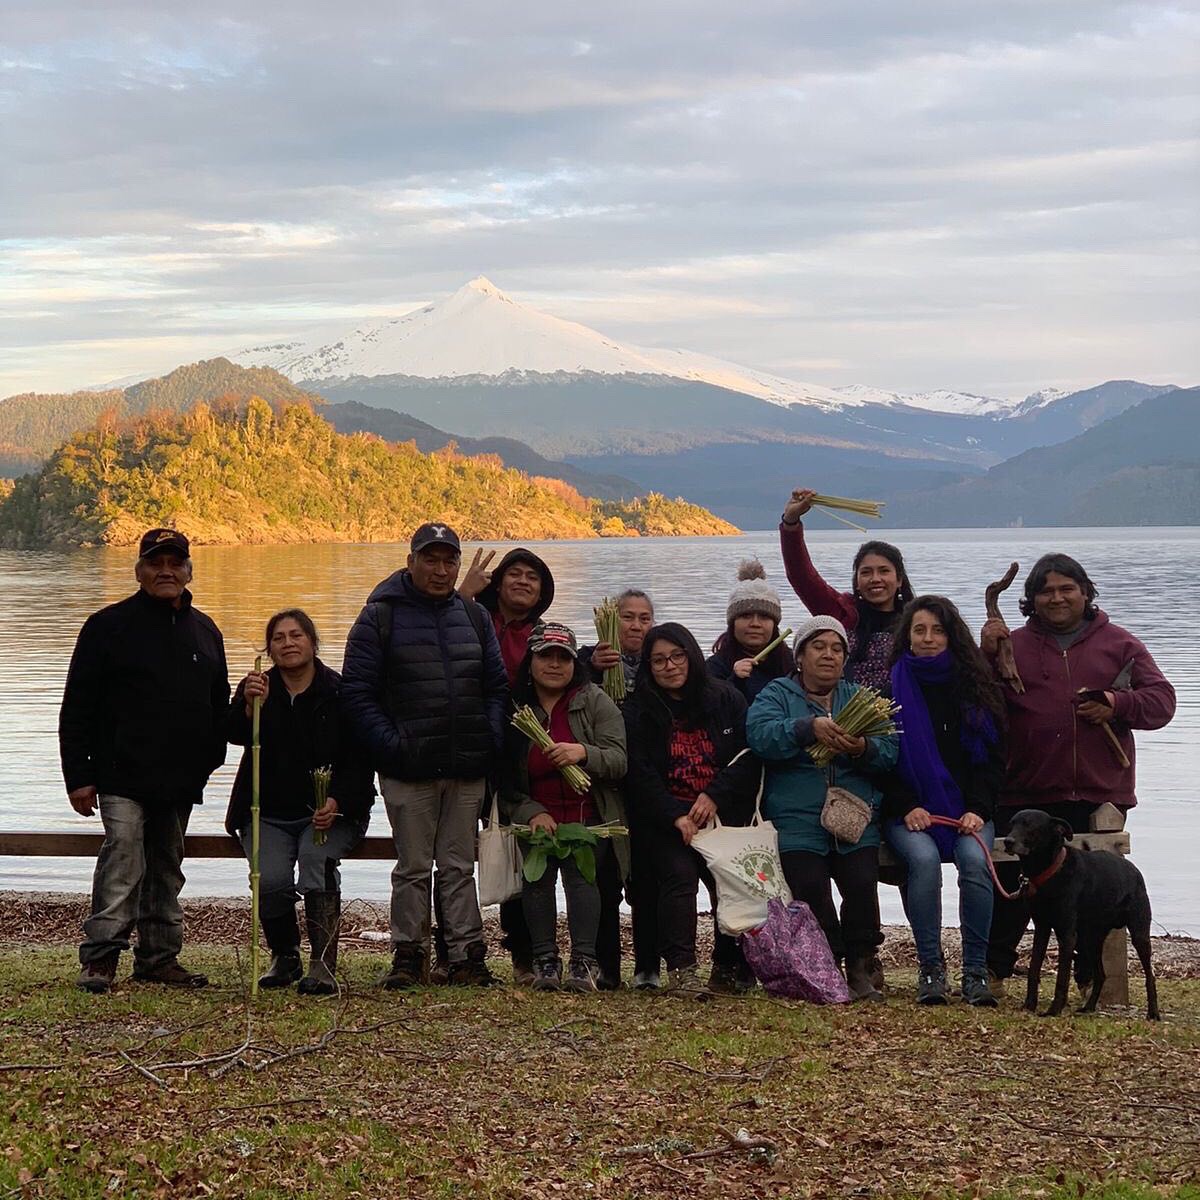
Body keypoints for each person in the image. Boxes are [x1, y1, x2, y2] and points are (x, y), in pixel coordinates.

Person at [980, 553, 1176, 989]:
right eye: (1045, 591)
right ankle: (990, 975)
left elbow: (1163, 702)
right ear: (1030, 600)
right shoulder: (1012, 646)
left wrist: (1116, 703)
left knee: (1092, 896)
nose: (1057, 597)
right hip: (1023, 794)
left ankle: (1090, 981)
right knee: (1009, 889)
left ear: (1085, 592)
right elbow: (974, 706)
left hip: (1098, 795)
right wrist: (985, 654)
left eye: (1067, 588)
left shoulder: (1121, 645)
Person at [60, 528, 229, 993]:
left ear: (190, 570)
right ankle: (100, 959)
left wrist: (207, 762)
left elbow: (219, 708)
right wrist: (79, 775)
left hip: (179, 781)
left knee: (167, 868)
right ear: (139, 571)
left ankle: (158, 957)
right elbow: (77, 707)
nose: (166, 571)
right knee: (124, 858)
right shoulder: (106, 626)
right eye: (156, 563)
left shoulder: (207, 630)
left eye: (175, 563)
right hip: (120, 775)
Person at [341, 522, 509, 989]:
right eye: (430, 560)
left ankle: (466, 957)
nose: (440, 570)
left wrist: (488, 739)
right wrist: (393, 748)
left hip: (465, 765)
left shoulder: (474, 617)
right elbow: (357, 693)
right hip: (408, 769)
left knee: (459, 866)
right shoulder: (380, 615)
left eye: (448, 561)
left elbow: (495, 687)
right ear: (410, 561)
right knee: (412, 867)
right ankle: (408, 955)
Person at [746, 615, 898, 1001]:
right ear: (799, 656)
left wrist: (862, 749)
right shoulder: (777, 694)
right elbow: (760, 736)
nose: (828, 655)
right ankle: (826, 962)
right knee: (811, 885)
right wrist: (805, 729)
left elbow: (889, 753)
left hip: (853, 814)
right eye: (818, 647)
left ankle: (861, 964)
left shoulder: (859, 698)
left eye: (836, 648)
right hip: (797, 816)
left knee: (862, 883)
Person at [226, 610, 375, 995]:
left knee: (316, 862)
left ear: (312, 642)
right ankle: (285, 955)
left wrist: (338, 801)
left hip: (328, 814)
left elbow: (360, 761)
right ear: (269, 648)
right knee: (271, 879)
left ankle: (323, 964)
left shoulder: (340, 692)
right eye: (278, 637)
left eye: (296, 635)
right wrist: (246, 706)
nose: (288, 643)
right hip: (268, 812)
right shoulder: (257, 687)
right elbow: (234, 734)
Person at [622, 623, 760, 996]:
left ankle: (727, 966)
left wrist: (715, 795)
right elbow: (639, 772)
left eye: (677, 656)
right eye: (659, 660)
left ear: (691, 655)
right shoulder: (638, 710)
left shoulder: (725, 698)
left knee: (727, 882)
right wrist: (674, 816)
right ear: (649, 667)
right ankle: (682, 969)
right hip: (667, 820)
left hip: (720, 814)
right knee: (679, 876)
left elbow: (749, 757)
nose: (669, 666)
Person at [882, 596, 1006, 1007]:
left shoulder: (975, 686)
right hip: (909, 812)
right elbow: (880, 760)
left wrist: (978, 810)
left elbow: (990, 761)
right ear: (908, 636)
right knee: (923, 860)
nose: (929, 638)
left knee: (974, 862)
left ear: (951, 636)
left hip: (968, 810)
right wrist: (906, 806)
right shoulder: (889, 687)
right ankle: (930, 969)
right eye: (920, 630)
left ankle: (975, 972)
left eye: (938, 630)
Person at [500, 622, 629, 992]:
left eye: (563, 657)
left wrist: (584, 753)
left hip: (588, 813)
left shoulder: (594, 701)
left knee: (582, 878)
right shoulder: (515, 711)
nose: (554, 665)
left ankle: (583, 962)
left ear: (575, 662)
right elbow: (504, 780)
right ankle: (545, 960)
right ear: (531, 661)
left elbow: (620, 759)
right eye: (545, 657)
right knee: (536, 881)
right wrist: (530, 812)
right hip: (536, 814)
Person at [454, 546, 556, 984]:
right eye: (514, 573)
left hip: (515, 753)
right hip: (463, 745)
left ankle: (523, 955)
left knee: (517, 847)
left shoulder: (542, 636)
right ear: (497, 581)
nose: (522, 581)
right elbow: (441, 642)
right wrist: (463, 595)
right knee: (455, 852)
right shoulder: (469, 616)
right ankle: (454, 950)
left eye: (532, 577)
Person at [579, 588, 657, 989]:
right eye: (628, 617)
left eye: (645, 618)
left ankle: (648, 967)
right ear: (613, 620)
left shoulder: (661, 662)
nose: (637, 625)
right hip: (602, 787)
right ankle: (606, 968)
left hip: (645, 787)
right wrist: (591, 666)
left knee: (645, 878)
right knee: (603, 876)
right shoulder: (588, 661)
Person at [779, 488, 915, 691]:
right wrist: (791, 522)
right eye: (866, 572)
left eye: (884, 571)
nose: (875, 579)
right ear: (857, 582)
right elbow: (801, 575)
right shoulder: (841, 613)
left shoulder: (917, 622)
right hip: (844, 716)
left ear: (899, 580)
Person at [707, 560, 793, 703]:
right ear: (732, 623)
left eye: (764, 617)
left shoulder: (792, 663)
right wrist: (734, 681)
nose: (755, 624)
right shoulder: (715, 668)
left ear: (775, 624)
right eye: (746, 616)